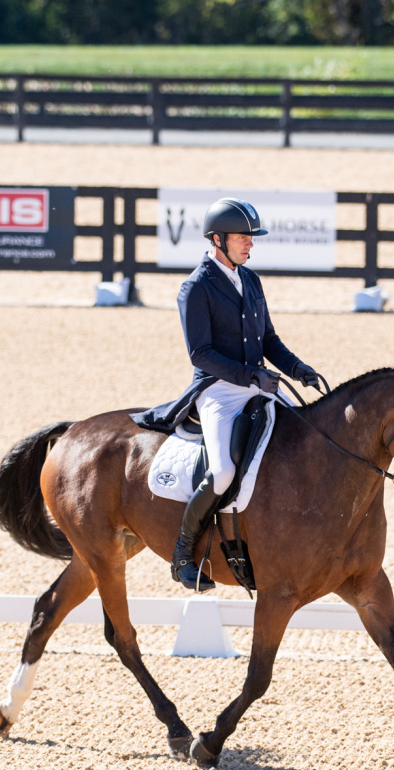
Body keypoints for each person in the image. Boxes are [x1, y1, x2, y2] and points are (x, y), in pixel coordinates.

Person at [131, 197, 325, 592]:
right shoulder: (196, 287)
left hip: (258, 385)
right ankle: (183, 553)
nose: (250, 245)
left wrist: (296, 368)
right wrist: (251, 375)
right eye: (242, 238)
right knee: (222, 471)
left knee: (305, 440)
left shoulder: (250, 280)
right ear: (217, 240)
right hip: (220, 392)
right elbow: (200, 353)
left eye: (250, 239)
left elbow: (268, 339)